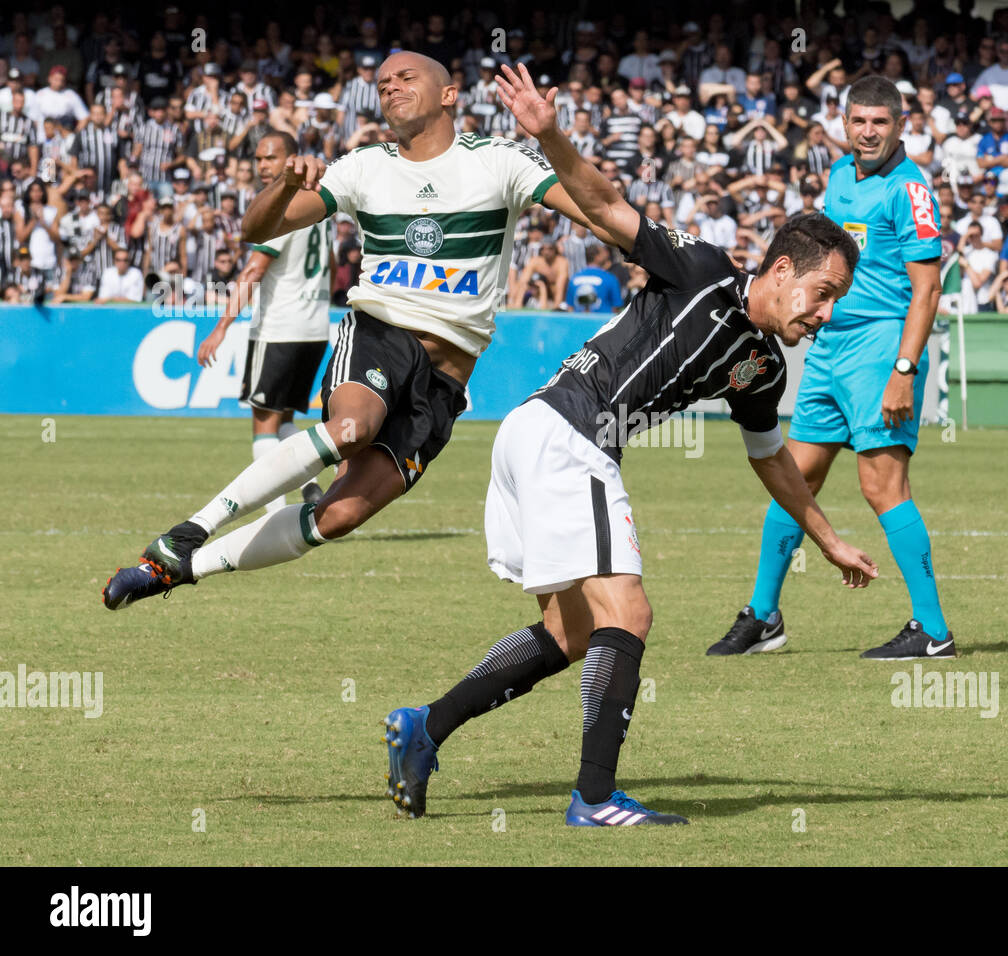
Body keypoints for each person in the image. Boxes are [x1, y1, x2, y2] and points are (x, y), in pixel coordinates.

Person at [380, 62, 874, 826]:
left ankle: (425, 727)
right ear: (781, 271)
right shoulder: (703, 271)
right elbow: (609, 207)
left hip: (541, 435)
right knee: (629, 614)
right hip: (568, 432)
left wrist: (831, 540)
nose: (826, 314)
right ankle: (597, 798)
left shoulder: (762, 365)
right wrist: (548, 134)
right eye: (823, 294)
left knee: (571, 631)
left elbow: (772, 457)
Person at [102, 51, 611, 609]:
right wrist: (282, 183)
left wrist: (552, 136)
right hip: (381, 331)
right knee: (351, 428)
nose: (390, 87)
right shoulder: (364, 166)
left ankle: (175, 569)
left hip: (445, 378)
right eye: (381, 83)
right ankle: (189, 530)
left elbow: (601, 210)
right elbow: (256, 228)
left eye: (405, 78)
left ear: (448, 94)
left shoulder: (500, 161)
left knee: (340, 515)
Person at [713, 75, 951, 660]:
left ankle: (932, 631)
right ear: (844, 123)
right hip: (829, 348)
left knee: (881, 485)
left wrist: (904, 367)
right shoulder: (839, 177)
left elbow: (927, 288)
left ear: (901, 126)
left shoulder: (911, 189)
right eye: (859, 121)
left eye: (880, 122)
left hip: (879, 348)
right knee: (795, 476)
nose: (868, 131)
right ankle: (764, 616)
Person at [191, 131, 334, 516]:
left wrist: (221, 326)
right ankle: (311, 485)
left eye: (271, 158)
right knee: (284, 417)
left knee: (263, 422)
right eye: (258, 159)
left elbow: (254, 268)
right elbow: (329, 267)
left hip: (280, 328)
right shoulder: (320, 206)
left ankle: (274, 517)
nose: (262, 166)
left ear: (291, 161)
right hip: (314, 328)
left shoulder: (283, 208)